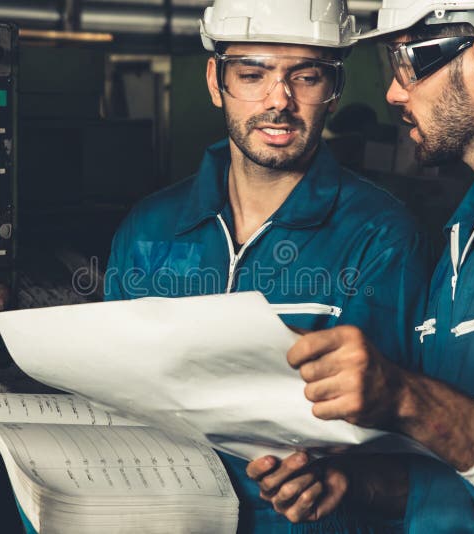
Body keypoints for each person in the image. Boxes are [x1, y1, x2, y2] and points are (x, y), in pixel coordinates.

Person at [247, 0, 474, 531]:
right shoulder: (463, 233)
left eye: (404, 63)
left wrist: (407, 398)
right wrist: (358, 485)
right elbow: (473, 483)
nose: (393, 92)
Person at [104, 0, 430, 531]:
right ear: (216, 81)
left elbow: (398, 435)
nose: (279, 101)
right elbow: (114, 397)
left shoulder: (381, 236)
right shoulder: (150, 230)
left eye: (305, 76)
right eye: (252, 74)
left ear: (335, 88)